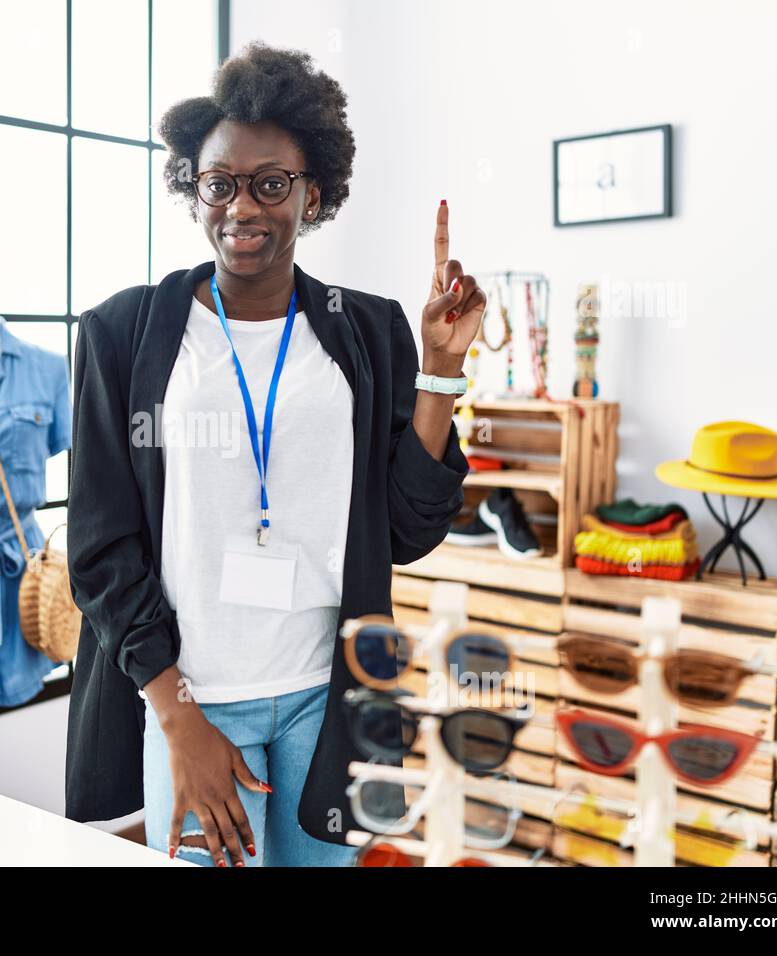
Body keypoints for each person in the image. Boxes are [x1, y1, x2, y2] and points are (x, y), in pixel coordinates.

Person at [65, 41, 484, 866]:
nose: (242, 206)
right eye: (219, 183)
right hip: (193, 696)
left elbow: (407, 526)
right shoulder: (123, 334)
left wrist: (440, 370)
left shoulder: (367, 331)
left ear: (313, 192)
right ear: (195, 191)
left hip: (325, 698)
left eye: (271, 182)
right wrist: (177, 715)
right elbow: (100, 548)